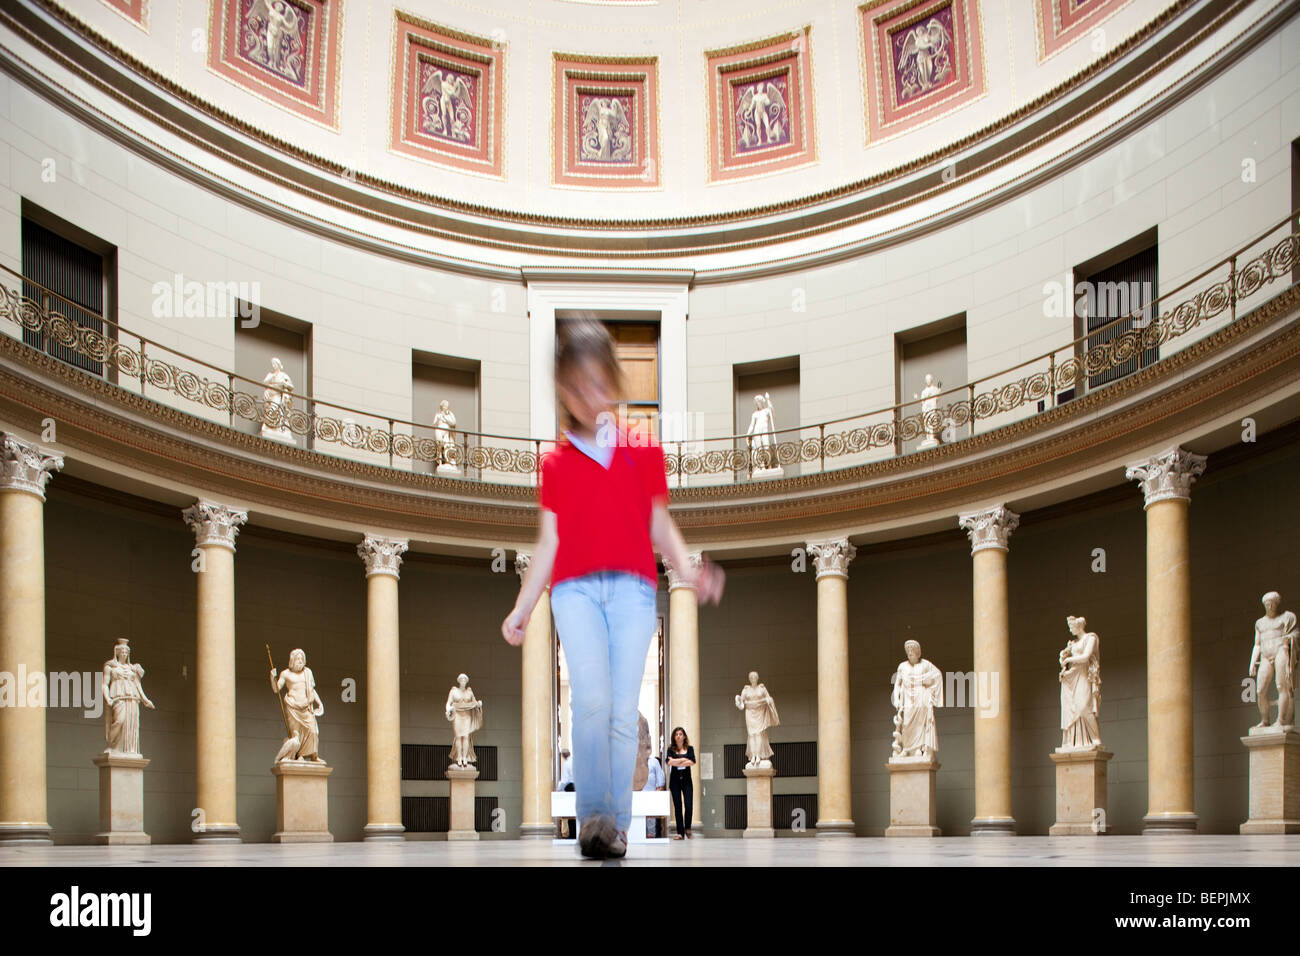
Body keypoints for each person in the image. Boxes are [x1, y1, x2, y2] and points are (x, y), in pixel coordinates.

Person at [501, 319, 724, 860]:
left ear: (614, 383)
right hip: (574, 591)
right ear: (563, 391)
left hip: (633, 590)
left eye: (599, 382)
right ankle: (592, 817)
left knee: (624, 710)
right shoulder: (554, 462)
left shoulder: (642, 450)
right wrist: (524, 606)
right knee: (590, 704)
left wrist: (688, 571)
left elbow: (658, 523)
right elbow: (549, 541)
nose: (590, 396)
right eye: (576, 386)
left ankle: (615, 826)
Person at [666, 726, 696, 840]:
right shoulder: (670, 749)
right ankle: (680, 832)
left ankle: (687, 828)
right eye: (676, 734)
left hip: (687, 781)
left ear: (684, 736)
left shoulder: (690, 748)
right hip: (675, 782)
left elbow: (692, 762)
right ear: (674, 737)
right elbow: (669, 762)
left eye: (680, 734)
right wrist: (683, 760)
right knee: (678, 807)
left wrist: (676, 761)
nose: (678, 736)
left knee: (688, 805)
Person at [643, 749, 666, 838]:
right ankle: (640, 834)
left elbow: (659, 775)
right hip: (638, 792)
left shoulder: (654, 761)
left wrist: (659, 787)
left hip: (651, 792)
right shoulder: (634, 760)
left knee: (650, 815)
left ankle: (650, 834)